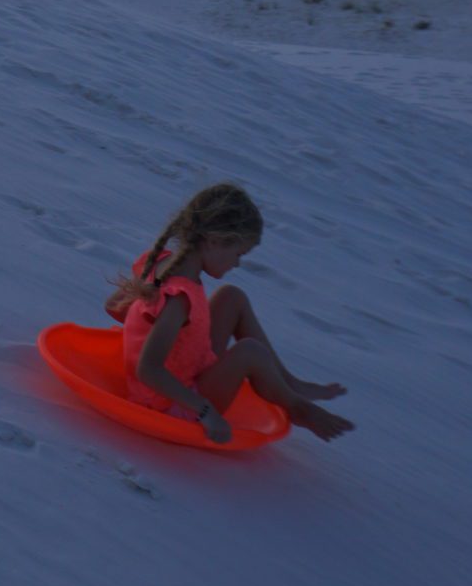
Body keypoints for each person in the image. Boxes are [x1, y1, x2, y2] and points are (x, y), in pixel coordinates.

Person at [104, 181, 354, 442]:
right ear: (214, 241)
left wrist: (144, 328)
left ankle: (289, 382)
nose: (237, 263)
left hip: (186, 367)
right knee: (250, 352)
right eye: (238, 254)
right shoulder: (178, 300)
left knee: (231, 296)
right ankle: (297, 408)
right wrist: (206, 410)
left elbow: (113, 306)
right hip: (173, 406)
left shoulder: (160, 261)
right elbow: (148, 369)